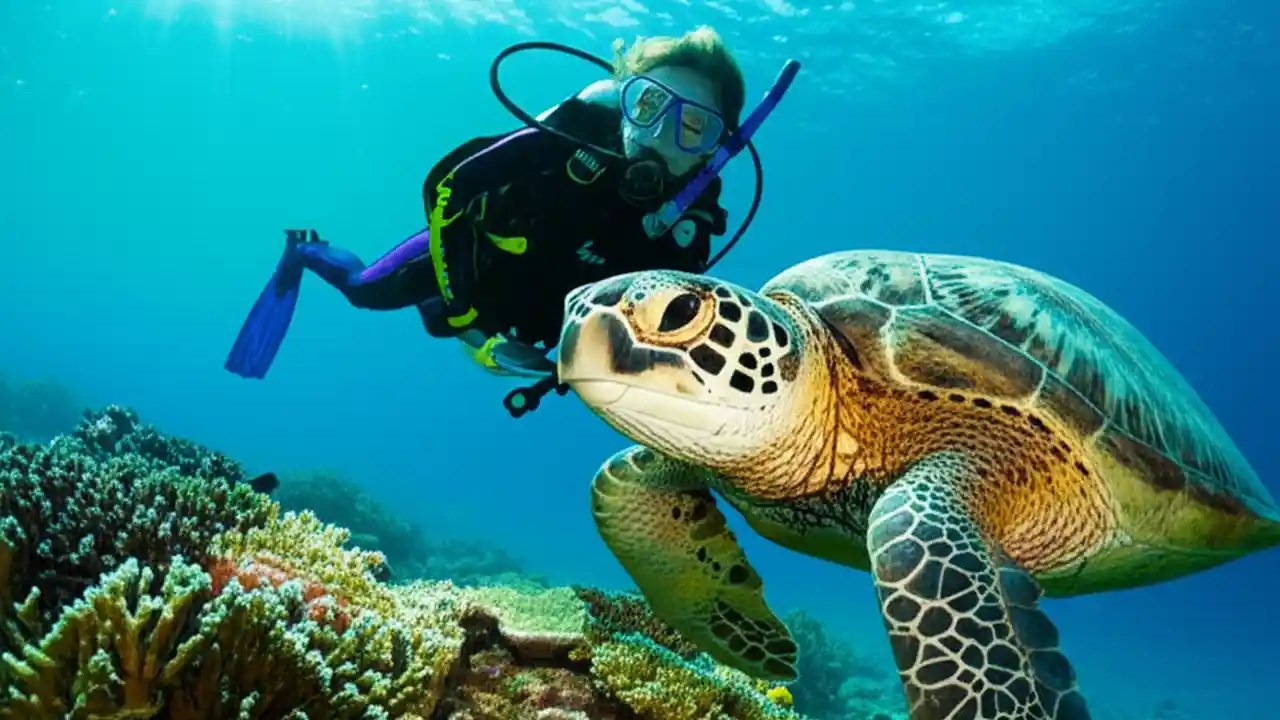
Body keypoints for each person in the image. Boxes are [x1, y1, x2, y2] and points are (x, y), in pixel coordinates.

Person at [224, 27, 750, 380]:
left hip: (537, 314)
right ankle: (306, 253)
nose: (657, 134)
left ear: (713, 150)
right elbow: (450, 186)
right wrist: (468, 320)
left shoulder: (691, 222)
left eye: (693, 126)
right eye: (648, 104)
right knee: (364, 292)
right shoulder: (577, 130)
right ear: (626, 100)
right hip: (470, 255)